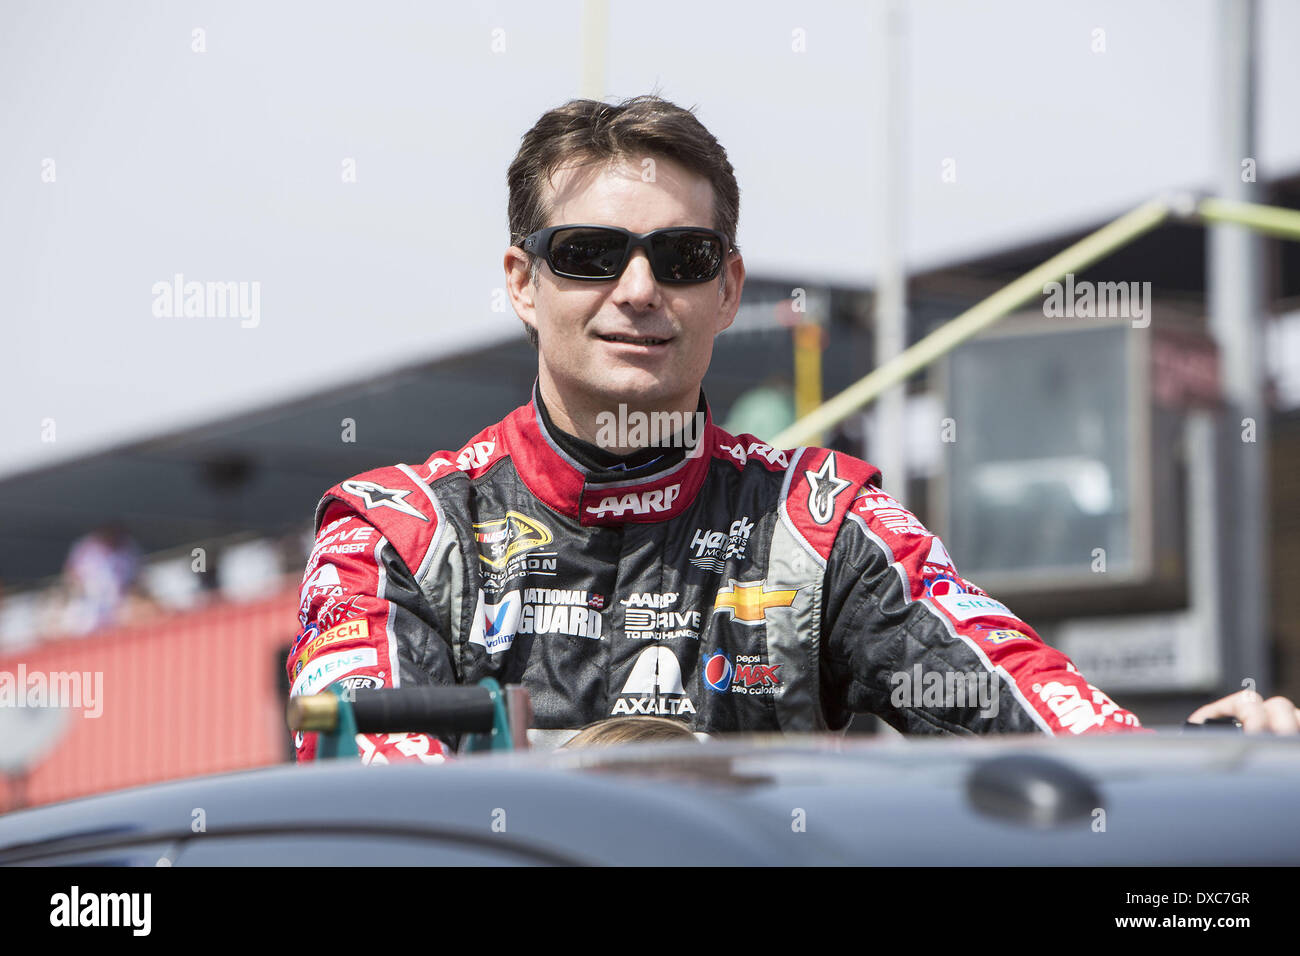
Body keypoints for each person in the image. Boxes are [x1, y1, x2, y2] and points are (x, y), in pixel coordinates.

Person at [287, 94, 1299, 764]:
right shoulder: (398, 530)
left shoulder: (819, 519)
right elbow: (369, 814)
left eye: (681, 256)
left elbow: (1015, 697)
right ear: (522, 281)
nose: (638, 289)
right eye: (592, 252)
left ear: (727, 289)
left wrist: (1196, 757)